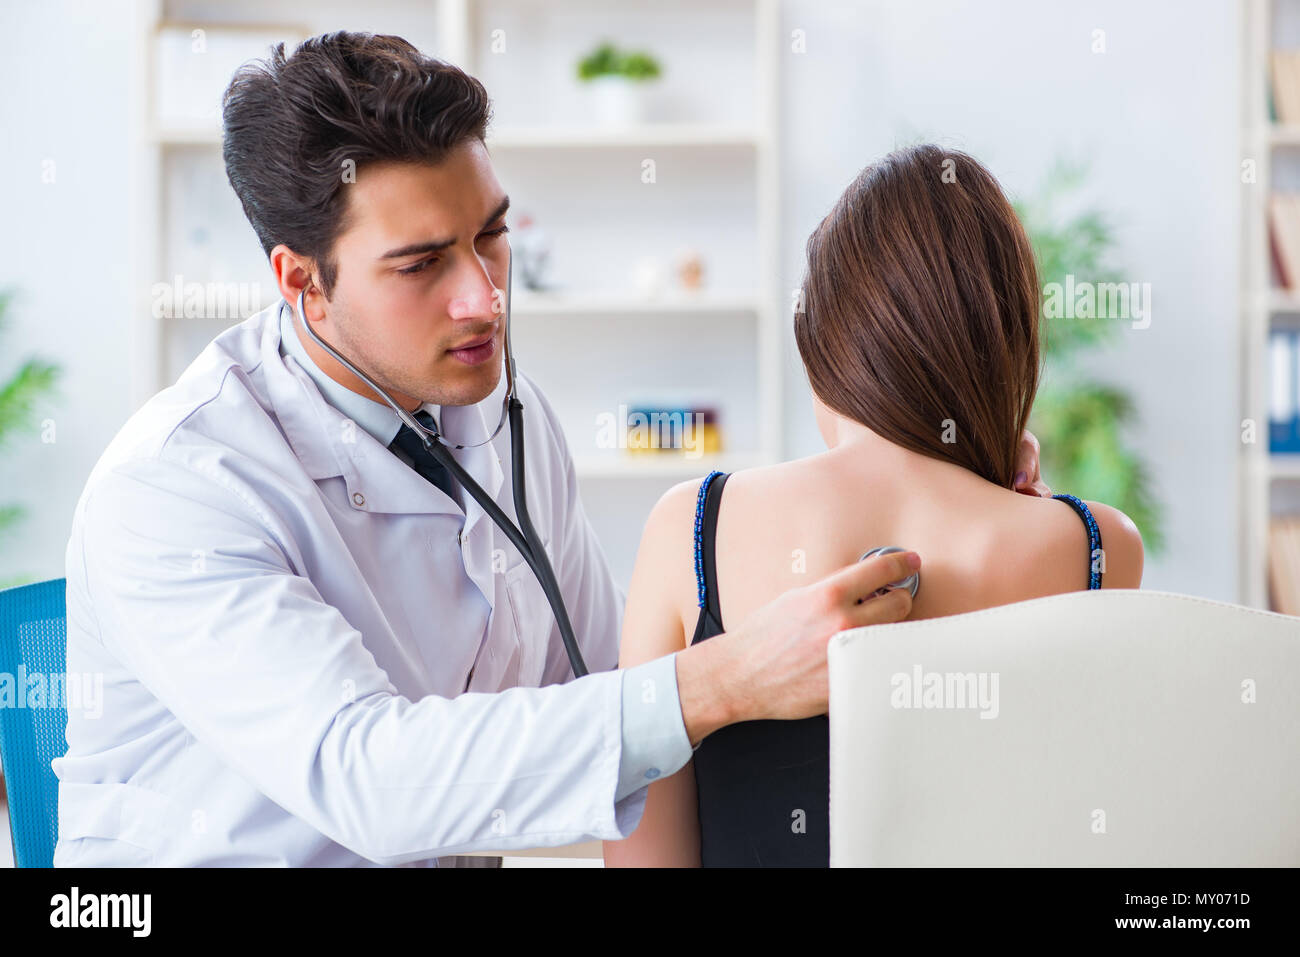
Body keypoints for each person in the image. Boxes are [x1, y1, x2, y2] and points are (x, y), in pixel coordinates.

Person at [52, 35, 1048, 867]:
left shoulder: (503, 413)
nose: (484, 296)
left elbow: (592, 695)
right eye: (421, 264)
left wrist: (945, 505)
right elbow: (371, 778)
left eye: (490, 237)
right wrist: (725, 679)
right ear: (300, 281)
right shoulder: (179, 487)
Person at [603, 144, 1144, 868]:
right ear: (1004, 345)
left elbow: (644, 859)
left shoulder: (689, 527)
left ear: (825, 347)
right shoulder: (1099, 546)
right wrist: (1032, 510)